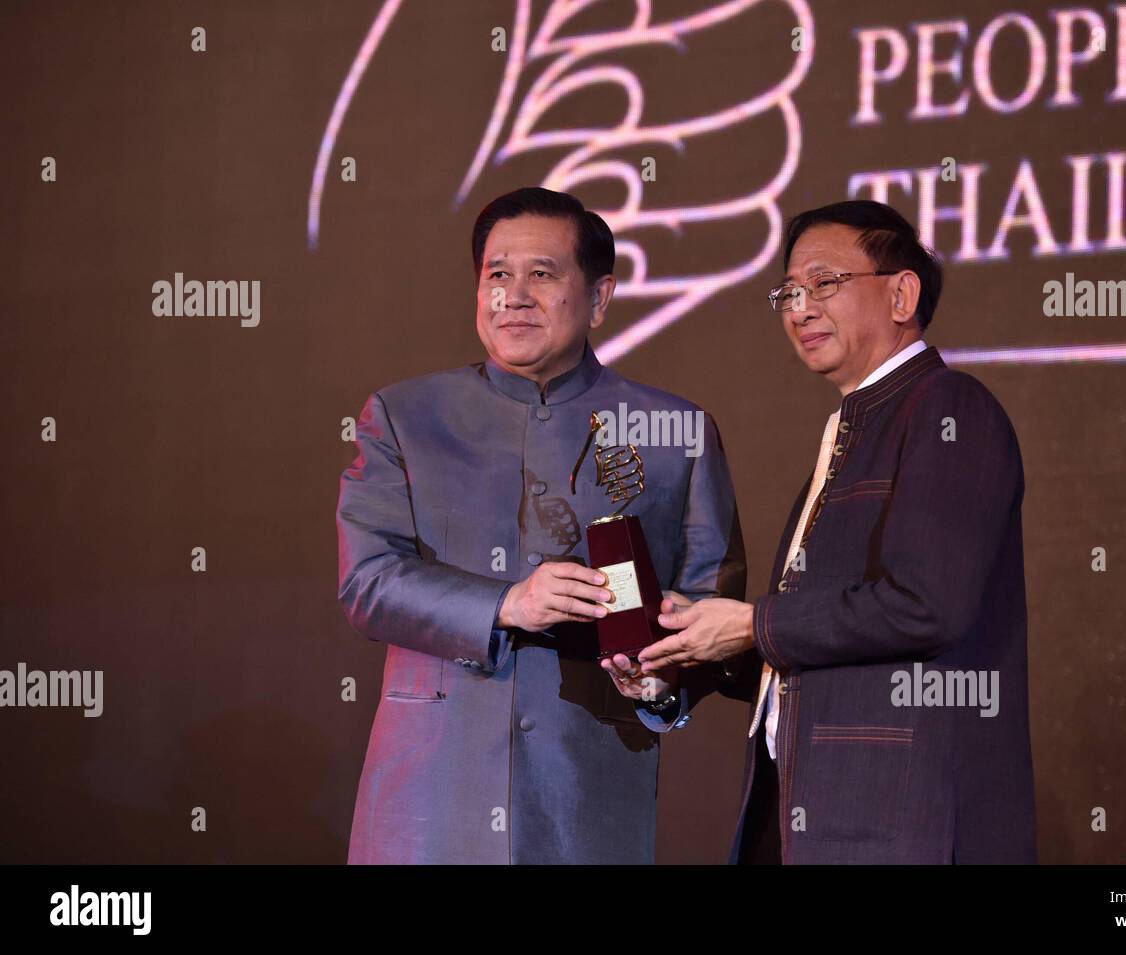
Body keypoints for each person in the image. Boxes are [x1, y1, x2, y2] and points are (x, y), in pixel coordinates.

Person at [336, 187, 745, 863]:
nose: (514, 296)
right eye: (497, 274)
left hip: (587, 796)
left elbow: (710, 602)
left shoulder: (678, 432)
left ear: (600, 296)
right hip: (429, 802)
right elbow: (367, 580)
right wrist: (506, 603)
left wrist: (662, 678)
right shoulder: (406, 417)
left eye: (543, 274)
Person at [638, 200, 1037, 864]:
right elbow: (816, 639)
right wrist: (692, 649)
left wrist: (749, 624)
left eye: (824, 283)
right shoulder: (851, 432)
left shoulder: (948, 406)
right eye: (788, 292)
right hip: (797, 814)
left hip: (890, 822)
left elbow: (923, 604)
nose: (798, 308)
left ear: (902, 292)